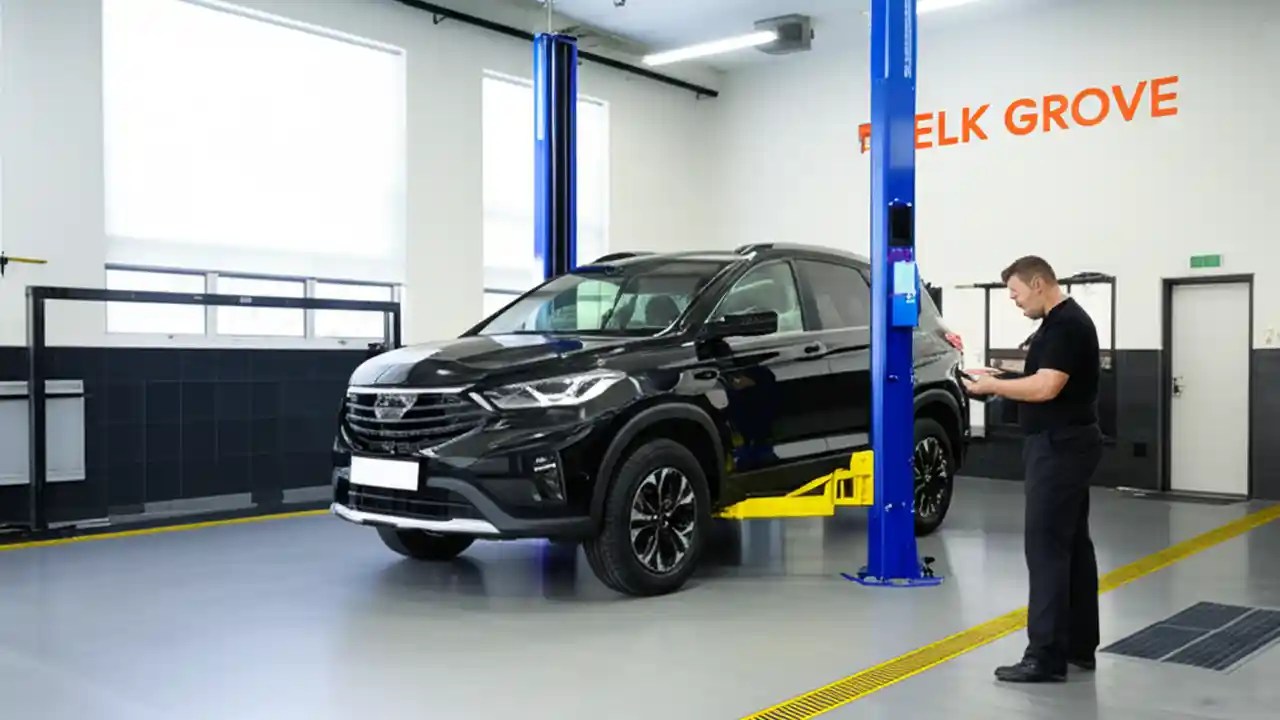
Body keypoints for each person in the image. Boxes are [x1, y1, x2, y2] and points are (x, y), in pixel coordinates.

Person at [963, 255, 1103, 683]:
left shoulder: (1066, 326)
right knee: (1072, 545)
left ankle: (1044, 656)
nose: (1015, 303)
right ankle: (1079, 645)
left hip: (1058, 448)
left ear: (1039, 283)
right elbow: (1046, 376)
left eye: (1017, 294)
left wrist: (992, 386)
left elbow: (1046, 386)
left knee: (1045, 549)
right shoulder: (1061, 323)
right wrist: (1002, 374)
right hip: (1069, 444)